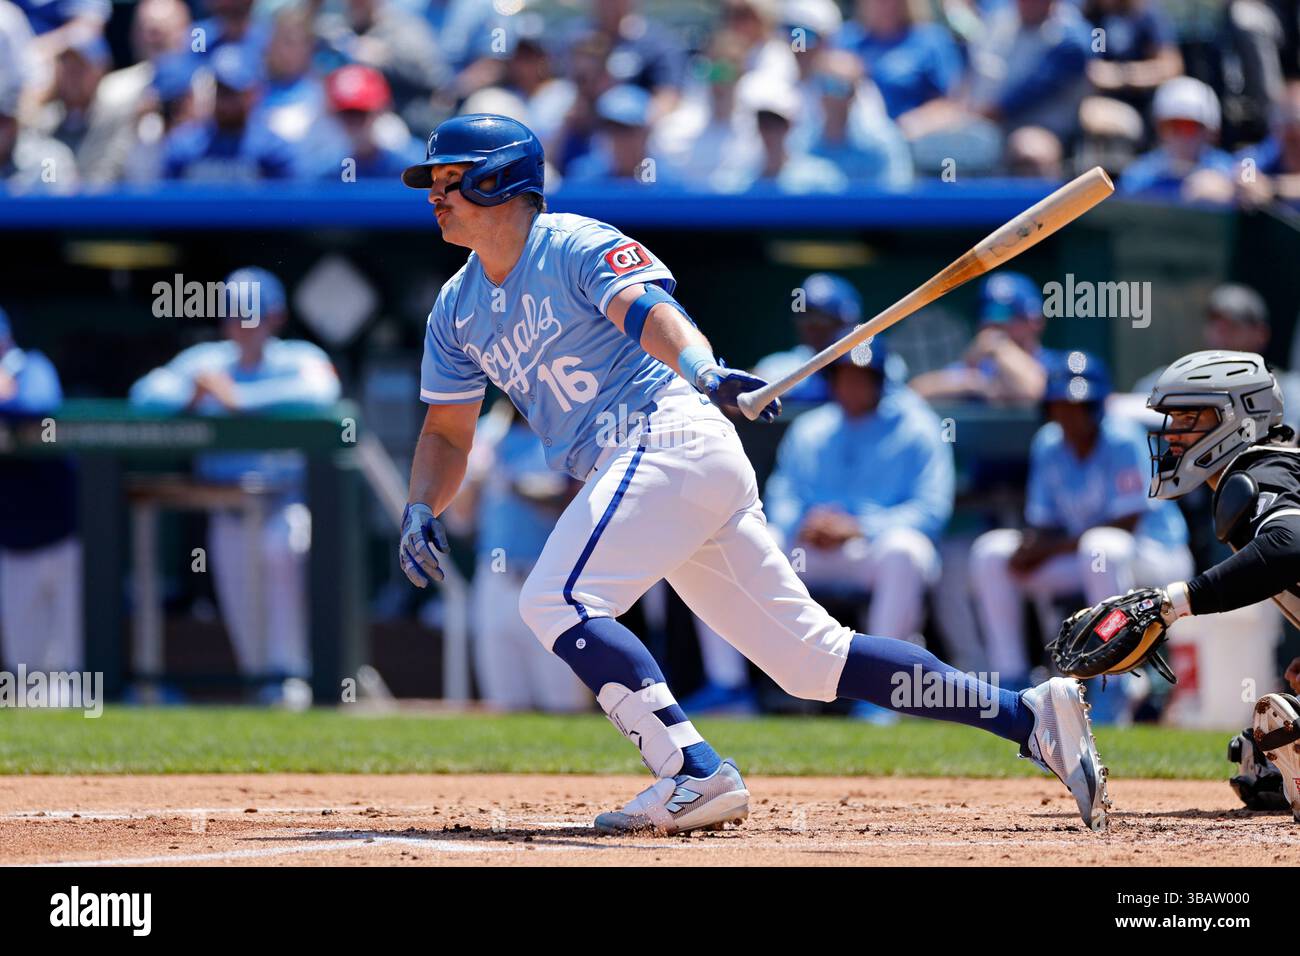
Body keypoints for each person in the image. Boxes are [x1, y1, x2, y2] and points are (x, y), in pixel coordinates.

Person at [396, 112, 1109, 835]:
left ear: (499, 179)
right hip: (654, 469)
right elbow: (447, 432)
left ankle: (693, 773)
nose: (435, 195)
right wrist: (422, 504)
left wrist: (704, 371)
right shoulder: (455, 309)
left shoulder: (572, 243)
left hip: (663, 436)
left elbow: (649, 311)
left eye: (450, 179)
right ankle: (1027, 716)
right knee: (810, 661)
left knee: (556, 600)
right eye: (433, 182)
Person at [1066, 349, 1300, 820]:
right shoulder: (1273, 468)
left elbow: (1290, 545)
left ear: (1241, 417)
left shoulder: (1259, 473)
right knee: (1263, 763)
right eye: (1172, 419)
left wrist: (1174, 602)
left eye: (1190, 418)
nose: (1173, 435)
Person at [129, 268, 341, 703]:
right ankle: (266, 695)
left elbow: (323, 391)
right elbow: (143, 395)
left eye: (250, 315)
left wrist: (238, 401)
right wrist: (192, 396)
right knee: (245, 618)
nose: (239, 326)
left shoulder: (298, 357)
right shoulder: (206, 362)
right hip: (225, 510)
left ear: (275, 317)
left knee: (284, 572)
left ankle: (298, 688)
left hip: (281, 505)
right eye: (231, 315)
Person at [969, 351, 1193, 691]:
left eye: (1078, 405)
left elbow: (1126, 523)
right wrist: (1031, 546)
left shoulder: (1121, 437)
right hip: (1090, 559)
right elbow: (1045, 521)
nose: (1069, 414)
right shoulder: (1047, 443)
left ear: (1097, 406)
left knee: (1100, 548)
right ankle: (1010, 680)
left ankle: (1113, 681)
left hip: (1154, 558)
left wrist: (1047, 549)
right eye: (1060, 404)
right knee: (992, 553)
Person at [765, 336, 954, 644]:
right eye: (845, 375)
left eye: (862, 376)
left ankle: (880, 678)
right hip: (812, 548)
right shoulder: (810, 428)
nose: (852, 384)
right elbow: (781, 493)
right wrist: (804, 523)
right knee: (756, 540)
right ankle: (733, 682)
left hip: (870, 551)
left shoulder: (918, 427)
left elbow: (931, 510)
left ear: (879, 380)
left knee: (905, 549)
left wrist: (858, 527)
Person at [443, 400, 589, 712]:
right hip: (495, 576)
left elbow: (574, 500)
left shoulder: (567, 434)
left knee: (565, 700)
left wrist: (520, 486)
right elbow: (460, 520)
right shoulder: (488, 435)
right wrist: (471, 477)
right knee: (505, 698)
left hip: (553, 576)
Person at [0, 306, 82, 679]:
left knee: (74, 664)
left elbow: (37, 404)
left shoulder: (31, 367)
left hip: (63, 537)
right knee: (23, 668)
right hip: (12, 543)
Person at [1133, 283, 1300, 431]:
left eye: (1232, 327)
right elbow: (1133, 408)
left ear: (1261, 334)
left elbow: (1290, 443)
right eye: (1215, 325)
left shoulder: (1288, 390)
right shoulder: (1174, 381)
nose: (1220, 336)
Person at [909, 271, 1054, 404]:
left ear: (1034, 321)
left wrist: (1000, 347)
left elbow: (1033, 391)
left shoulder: (1056, 364)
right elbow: (914, 392)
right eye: (986, 314)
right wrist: (972, 383)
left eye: (1004, 314)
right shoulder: (978, 369)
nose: (991, 323)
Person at [161, 44, 298, 182]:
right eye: (220, 91)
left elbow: (289, 198)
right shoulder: (184, 146)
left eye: (232, 93)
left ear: (251, 94)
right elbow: (167, 196)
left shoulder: (273, 149)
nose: (224, 101)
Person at [1119, 76, 1236, 202]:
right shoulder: (1139, 176)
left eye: (1188, 126)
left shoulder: (1229, 170)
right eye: (1170, 126)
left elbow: (1252, 192)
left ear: (1210, 132)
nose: (1180, 136)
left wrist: (1230, 192)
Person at [753, 272, 862, 405]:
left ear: (846, 323)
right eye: (805, 317)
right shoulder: (779, 368)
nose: (812, 326)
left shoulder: (880, 368)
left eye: (823, 318)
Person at [321, 64, 419, 181]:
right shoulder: (330, 174)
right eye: (346, 115)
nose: (353, 123)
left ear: (380, 111)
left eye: (360, 114)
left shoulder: (413, 166)